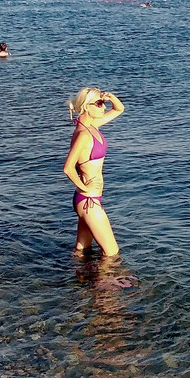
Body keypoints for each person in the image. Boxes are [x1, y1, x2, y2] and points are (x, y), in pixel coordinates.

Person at [64, 87, 124, 257]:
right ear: (85, 107)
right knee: (112, 254)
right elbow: (68, 167)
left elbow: (119, 109)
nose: (103, 107)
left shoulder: (92, 126)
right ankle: (103, 284)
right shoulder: (83, 134)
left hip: (89, 199)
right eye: (98, 103)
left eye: (103, 103)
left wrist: (109, 96)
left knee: (82, 250)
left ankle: (77, 281)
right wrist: (84, 188)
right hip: (89, 201)